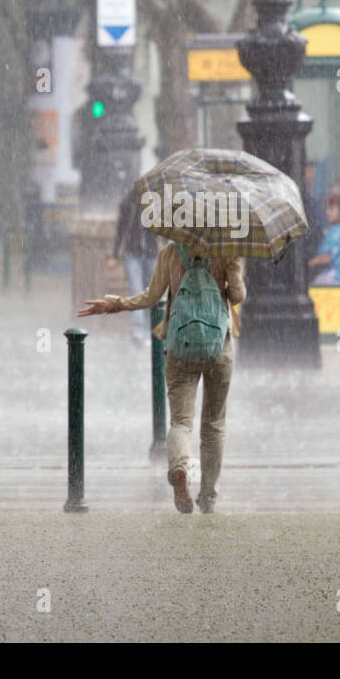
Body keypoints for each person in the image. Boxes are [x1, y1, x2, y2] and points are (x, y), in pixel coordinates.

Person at [77, 241, 245, 514]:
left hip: (181, 347)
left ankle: (180, 467)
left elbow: (151, 297)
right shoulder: (226, 248)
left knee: (180, 422)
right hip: (218, 347)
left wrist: (115, 304)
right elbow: (237, 295)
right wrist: (231, 274)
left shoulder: (171, 251)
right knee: (214, 425)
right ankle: (208, 498)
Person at [107, 191, 160, 345]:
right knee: (137, 292)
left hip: (151, 255)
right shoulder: (127, 204)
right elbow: (120, 230)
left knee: (153, 294)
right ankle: (138, 332)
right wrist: (114, 255)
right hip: (133, 256)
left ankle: (153, 330)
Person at [309, 193, 340, 286]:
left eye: (331, 209)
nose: (327, 212)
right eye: (327, 209)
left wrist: (308, 264)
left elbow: (326, 257)